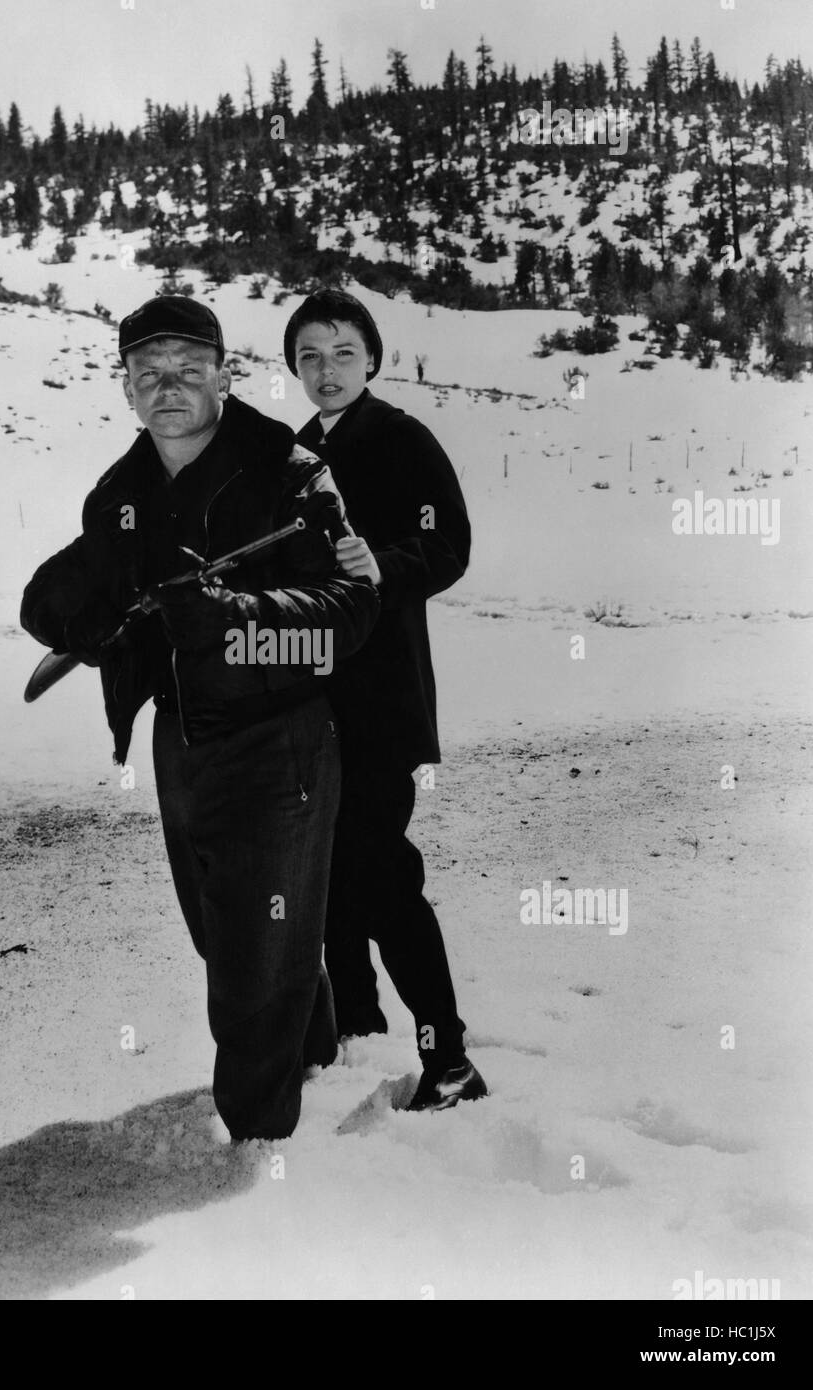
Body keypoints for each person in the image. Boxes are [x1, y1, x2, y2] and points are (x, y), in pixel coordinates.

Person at [21, 296, 379, 1141]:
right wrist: (73, 621)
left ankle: (259, 1147)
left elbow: (350, 610)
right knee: (228, 931)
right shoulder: (120, 493)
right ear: (126, 390)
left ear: (225, 374)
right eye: (148, 373)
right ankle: (317, 1056)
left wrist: (237, 616)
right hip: (181, 737)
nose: (168, 387)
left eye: (187, 369)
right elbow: (89, 590)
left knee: (255, 956)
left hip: (279, 735)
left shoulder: (289, 472)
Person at [283, 287, 488, 1110]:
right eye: (307, 356)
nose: (325, 371)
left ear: (372, 359)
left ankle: (448, 1058)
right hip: (305, 701)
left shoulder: (404, 440)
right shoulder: (291, 453)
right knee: (326, 876)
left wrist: (385, 567)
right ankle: (357, 1035)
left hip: (383, 702)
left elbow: (448, 546)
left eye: (341, 353)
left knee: (380, 876)